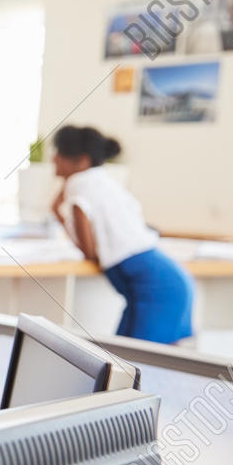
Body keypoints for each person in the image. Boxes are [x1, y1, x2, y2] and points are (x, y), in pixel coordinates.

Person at [51, 125, 194, 344]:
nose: (54, 159)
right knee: (124, 360)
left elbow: (88, 251)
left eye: (60, 154)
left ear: (82, 161)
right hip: (166, 281)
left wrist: (58, 212)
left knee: (132, 365)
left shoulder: (79, 183)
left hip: (156, 290)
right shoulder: (96, 179)